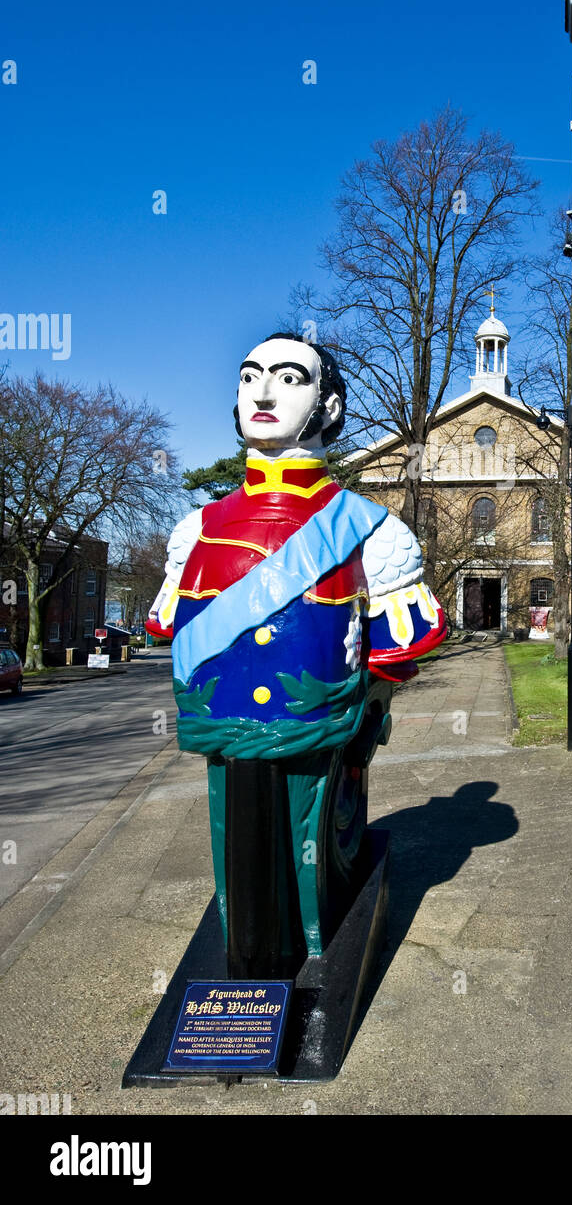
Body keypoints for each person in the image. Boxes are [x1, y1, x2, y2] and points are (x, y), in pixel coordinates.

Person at [147, 332, 445, 972]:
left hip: (320, 730)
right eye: (251, 375)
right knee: (234, 851)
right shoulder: (195, 530)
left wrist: (369, 709)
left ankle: (310, 946)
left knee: (315, 849)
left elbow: (392, 655)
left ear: (329, 408)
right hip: (221, 729)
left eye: (289, 378)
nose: (262, 390)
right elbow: (174, 632)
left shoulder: (371, 529)